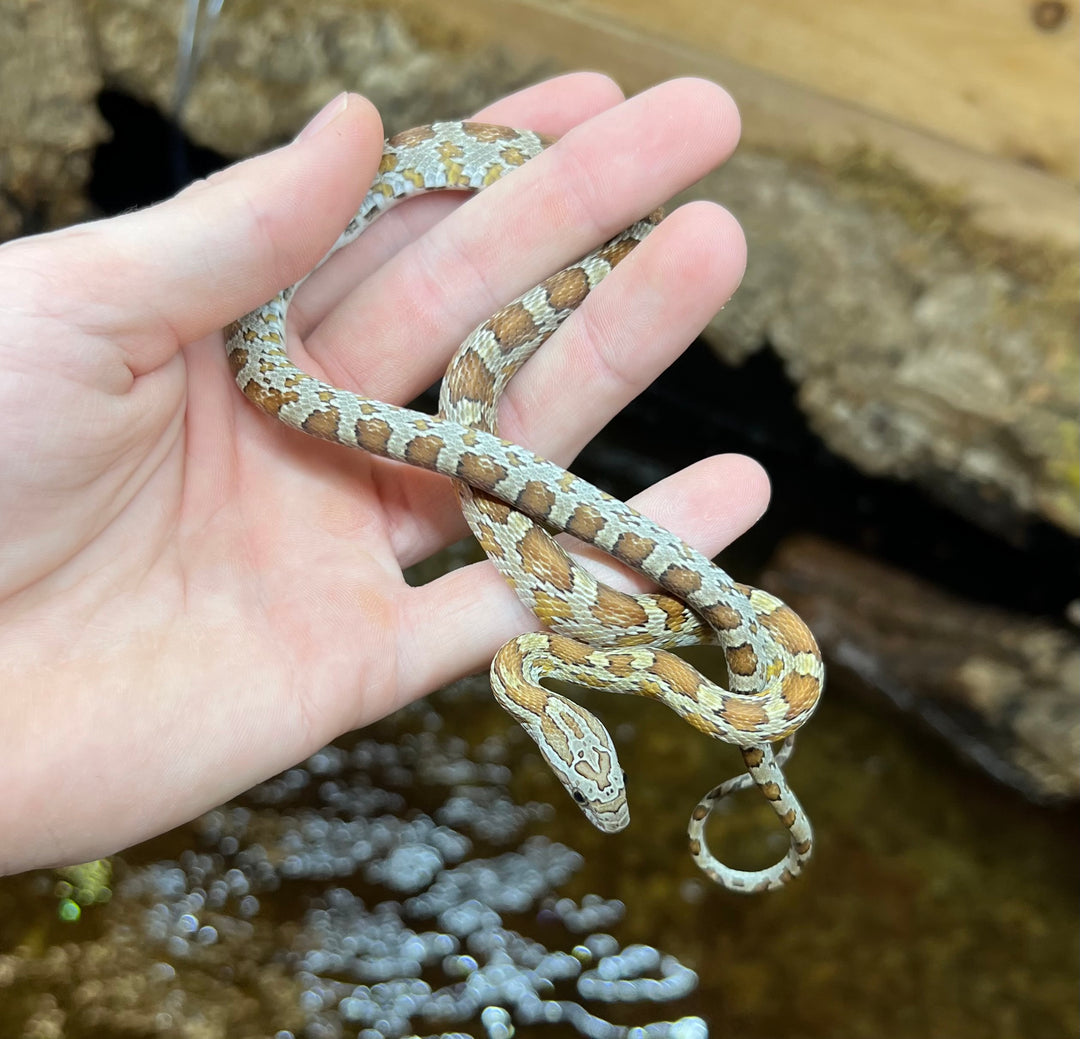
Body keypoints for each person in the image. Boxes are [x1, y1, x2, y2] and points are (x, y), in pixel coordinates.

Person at [0, 74, 763, 875]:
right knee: (455, 407)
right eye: (588, 791)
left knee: (491, 396)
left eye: (587, 791)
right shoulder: (540, 662)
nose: (594, 802)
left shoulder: (533, 664)